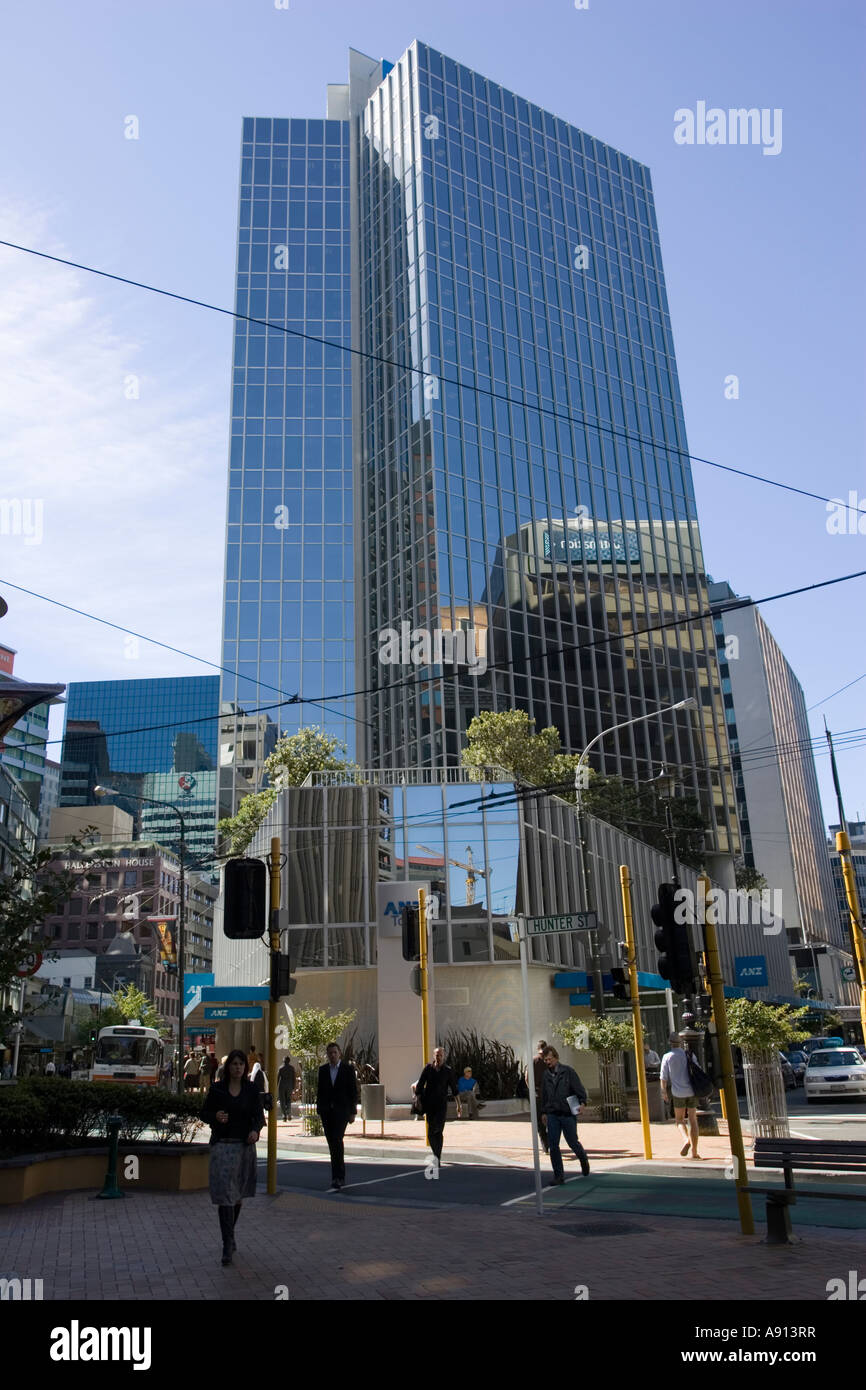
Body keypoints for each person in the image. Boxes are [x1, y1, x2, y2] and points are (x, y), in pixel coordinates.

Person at [200, 1049, 264, 1265]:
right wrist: (215, 1116)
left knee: (236, 1197)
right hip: (223, 1146)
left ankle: (230, 1234)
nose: (237, 1067)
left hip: (244, 1148)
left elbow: (258, 1117)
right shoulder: (218, 1089)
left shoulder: (251, 1090)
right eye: (234, 1064)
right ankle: (227, 1244)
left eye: (241, 1064)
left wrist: (255, 1131)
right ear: (228, 1067)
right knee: (225, 1196)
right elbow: (204, 1112)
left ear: (245, 1067)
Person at [541, 1046, 590, 1185]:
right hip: (553, 1114)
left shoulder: (568, 1072)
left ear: (556, 1057)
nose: (548, 1062)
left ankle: (583, 1158)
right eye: (545, 1060)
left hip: (567, 1113)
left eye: (550, 1059)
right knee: (553, 1145)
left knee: (572, 1142)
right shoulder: (546, 1075)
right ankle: (559, 1176)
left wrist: (582, 1103)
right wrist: (543, 1112)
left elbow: (578, 1089)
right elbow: (544, 1095)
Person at [316, 1042, 359, 1191]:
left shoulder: (347, 1069)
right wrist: (319, 1110)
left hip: (342, 1112)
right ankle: (335, 1175)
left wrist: (353, 1112)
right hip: (327, 1112)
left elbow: (353, 1091)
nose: (332, 1055)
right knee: (332, 1143)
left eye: (335, 1052)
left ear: (339, 1053)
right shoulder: (323, 1070)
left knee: (336, 1139)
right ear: (327, 1055)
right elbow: (320, 1091)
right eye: (330, 1053)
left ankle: (339, 1176)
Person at [415, 1046, 459, 1169]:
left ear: (443, 1056)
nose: (438, 1057)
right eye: (436, 1055)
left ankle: (437, 1158)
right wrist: (418, 1100)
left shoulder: (447, 1071)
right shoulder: (428, 1069)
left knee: (438, 1130)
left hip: (441, 1105)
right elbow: (420, 1085)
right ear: (433, 1056)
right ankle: (436, 1155)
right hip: (430, 1104)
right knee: (430, 1134)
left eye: (440, 1055)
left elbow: (454, 1090)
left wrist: (458, 1106)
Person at [660, 1035, 700, 1159]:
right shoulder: (689, 1055)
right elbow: (698, 1069)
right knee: (693, 1120)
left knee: (679, 1120)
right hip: (692, 1091)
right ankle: (694, 1151)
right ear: (681, 1042)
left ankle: (685, 1139)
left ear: (670, 1043)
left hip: (678, 1092)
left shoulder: (667, 1056)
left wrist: (664, 1092)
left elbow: (663, 1077)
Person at [532, 1039, 550, 1153]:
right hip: (549, 1093)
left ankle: (545, 1145)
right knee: (551, 1119)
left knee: (540, 1122)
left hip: (538, 1094)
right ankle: (550, 1143)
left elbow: (527, 1078)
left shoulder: (533, 1061)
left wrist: (532, 1090)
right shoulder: (549, 1060)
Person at [278, 1055, 297, 1121]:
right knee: (288, 1100)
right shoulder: (292, 1068)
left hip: (282, 1085)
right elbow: (294, 1078)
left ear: (284, 1061)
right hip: (289, 1085)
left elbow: (278, 1078)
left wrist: (276, 1086)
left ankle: (284, 1115)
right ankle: (289, 1114)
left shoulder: (281, 1068)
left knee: (282, 1100)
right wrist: (294, 1086)